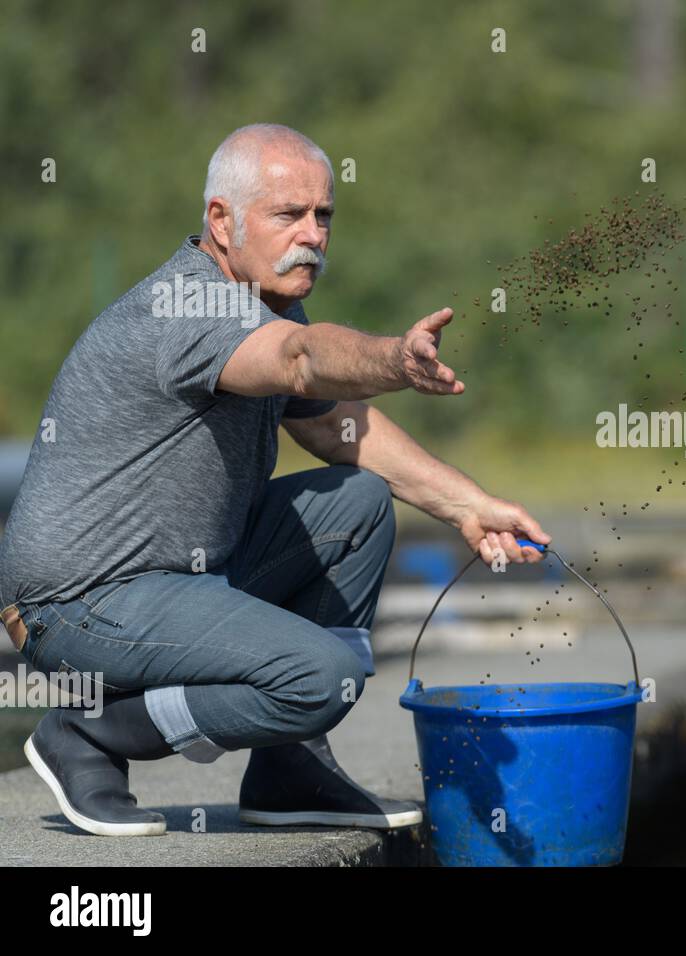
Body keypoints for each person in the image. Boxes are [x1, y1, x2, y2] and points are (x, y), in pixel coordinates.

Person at [0, 123, 551, 837]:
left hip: (181, 580)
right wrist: (394, 358)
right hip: (76, 602)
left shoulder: (266, 305)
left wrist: (469, 507)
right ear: (221, 221)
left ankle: (291, 769)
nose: (314, 234)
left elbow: (333, 426)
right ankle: (94, 734)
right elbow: (299, 362)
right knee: (320, 677)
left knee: (354, 505)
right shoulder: (191, 310)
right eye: (289, 214)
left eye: (324, 215)